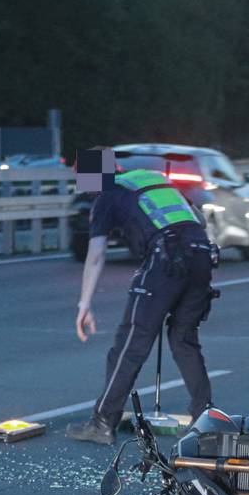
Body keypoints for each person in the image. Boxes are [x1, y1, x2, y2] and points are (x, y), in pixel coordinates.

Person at [66, 148, 217, 445]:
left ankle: (102, 423)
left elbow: (96, 255)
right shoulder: (151, 179)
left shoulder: (106, 196)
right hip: (202, 255)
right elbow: (198, 218)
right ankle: (205, 419)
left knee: (131, 343)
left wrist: (84, 304)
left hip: (165, 258)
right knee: (184, 340)